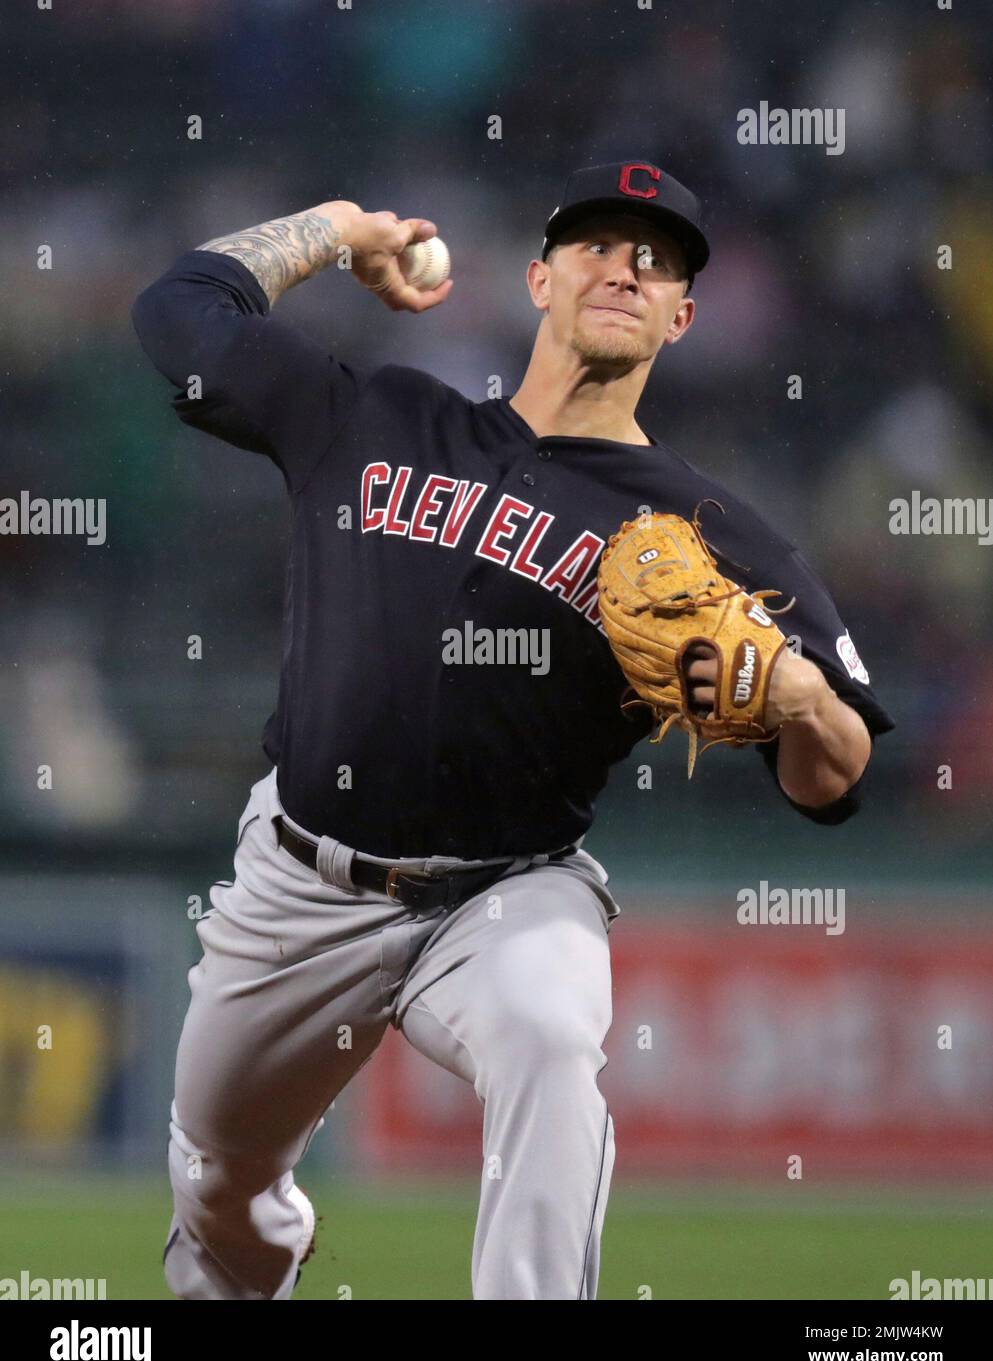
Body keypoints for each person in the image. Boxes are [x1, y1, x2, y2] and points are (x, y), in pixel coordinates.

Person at [131, 159, 894, 1301]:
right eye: (595, 242)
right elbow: (179, 311)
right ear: (538, 279)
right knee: (220, 1188)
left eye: (658, 258)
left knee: (545, 1033)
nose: (625, 266)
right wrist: (338, 228)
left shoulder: (714, 534)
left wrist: (797, 699)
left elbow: (839, 777)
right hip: (296, 884)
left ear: (683, 317)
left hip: (504, 895)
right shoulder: (375, 417)